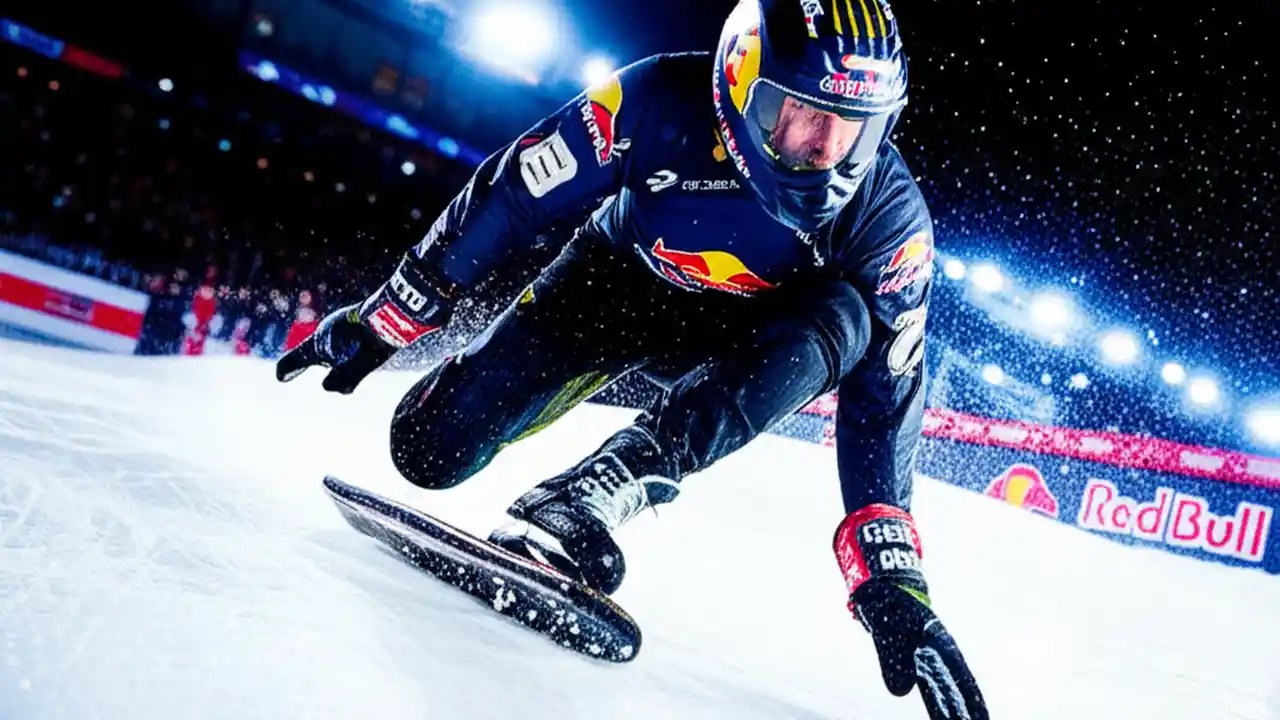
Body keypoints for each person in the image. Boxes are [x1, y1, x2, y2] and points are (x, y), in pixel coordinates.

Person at [278, 1, 986, 716]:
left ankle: (601, 486)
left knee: (847, 319)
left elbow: (886, 394)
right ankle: (487, 408)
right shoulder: (651, 100)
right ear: (741, 80)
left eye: (853, 126)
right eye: (802, 112)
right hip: (611, 289)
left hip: (748, 350)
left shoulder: (892, 219)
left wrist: (888, 580)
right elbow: (515, 194)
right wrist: (392, 314)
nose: (826, 149)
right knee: (426, 452)